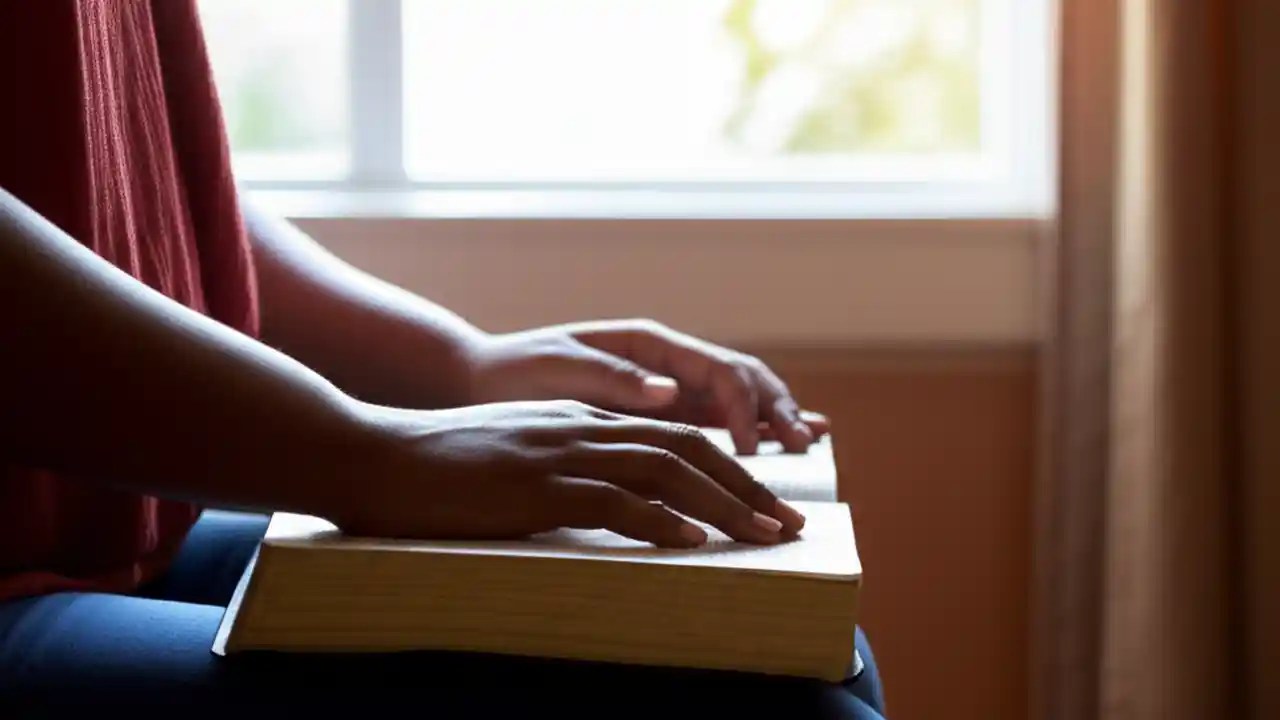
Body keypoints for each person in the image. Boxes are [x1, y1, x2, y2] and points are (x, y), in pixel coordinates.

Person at [0, 2, 886, 717]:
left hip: (112, 533)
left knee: (809, 658)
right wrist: (365, 452)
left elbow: (141, 170)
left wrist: (465, 367)